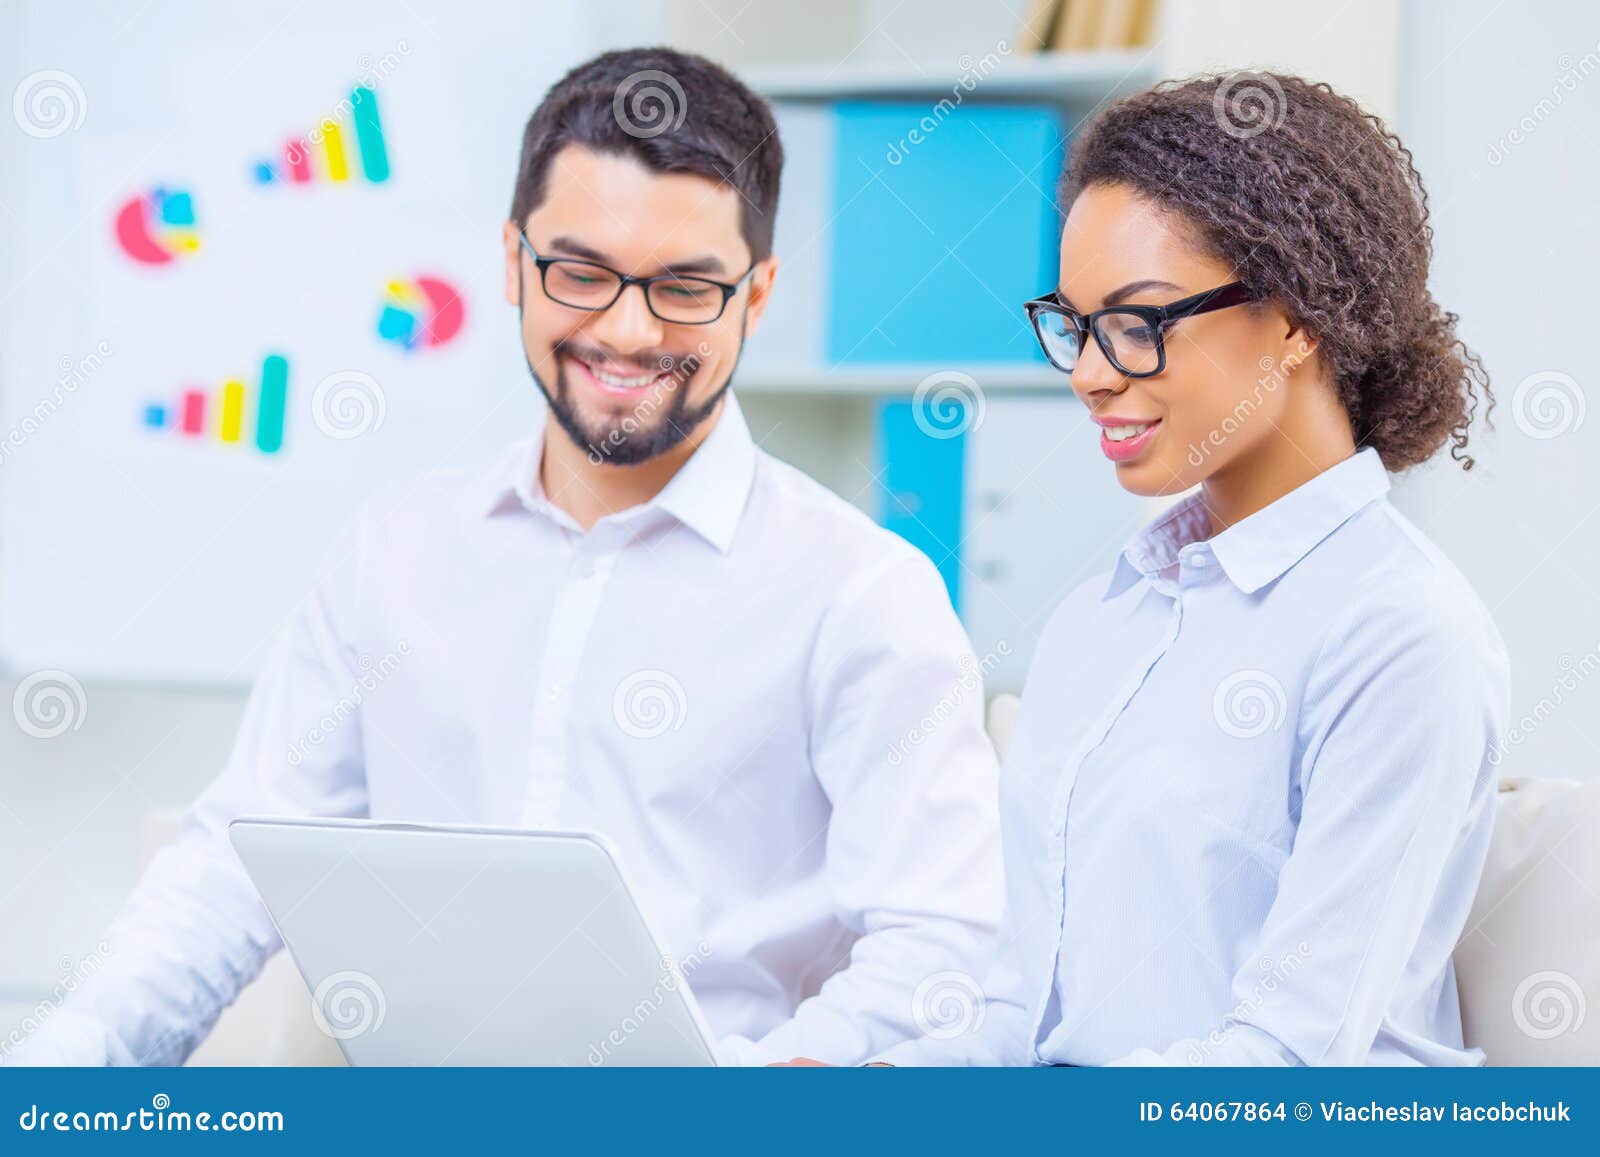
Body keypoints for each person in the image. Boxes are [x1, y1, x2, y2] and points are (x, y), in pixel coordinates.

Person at [11, 47, 1001, 1068]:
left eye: (687, 287)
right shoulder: (393, 552)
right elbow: (231, 866)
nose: (627, 328)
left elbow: (941, 959)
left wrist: (744, 1097)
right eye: (580, 272)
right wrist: (69, 1061)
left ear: (755, 296)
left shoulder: (861, 592)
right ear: (511, 262)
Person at [792, 71, 1508, 1067]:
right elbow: (1020, 1015)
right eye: (1075, 324)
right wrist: (857, 1080)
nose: (1088, 370)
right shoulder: (1100, 615)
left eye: (1137, 322)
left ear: (1299, 315)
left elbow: (1284, 1057)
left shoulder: (1400, 630)